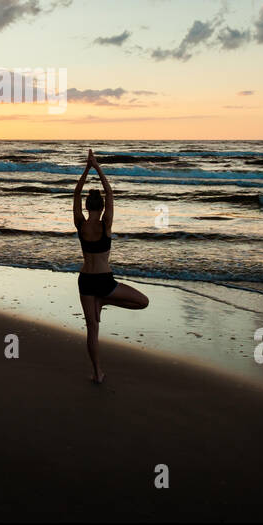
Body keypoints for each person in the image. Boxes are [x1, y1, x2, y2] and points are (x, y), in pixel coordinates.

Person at [73, 149, 149, 383]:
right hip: (105, 282)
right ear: (103, 206)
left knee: (92, 330)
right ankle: (105, 300)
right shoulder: (107, 224)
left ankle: (97, 373)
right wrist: (98, 167)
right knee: (143, 302)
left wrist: (87, 169)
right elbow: (110, 192)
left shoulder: (80, 223)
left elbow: (76, 193)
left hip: (86, 280)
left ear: (86, 206)